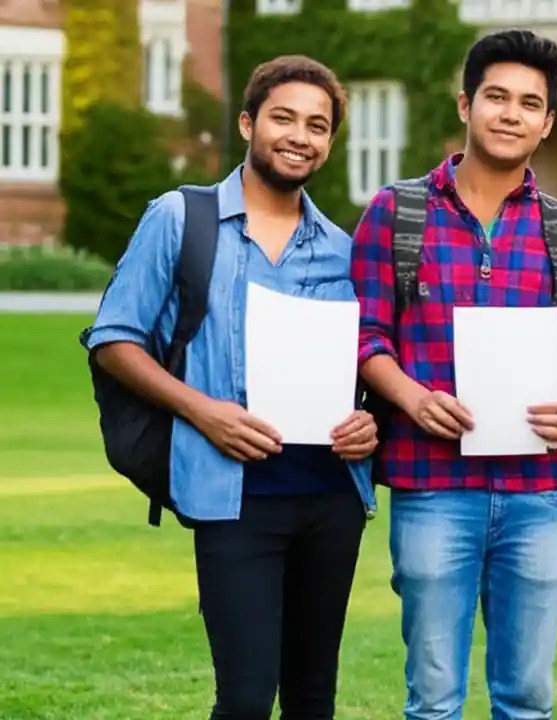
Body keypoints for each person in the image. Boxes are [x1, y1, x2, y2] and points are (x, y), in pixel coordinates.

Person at [82, 55, 378, 719]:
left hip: (331, 495)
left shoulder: (343, 247)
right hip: (232, 494)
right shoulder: (179, 219)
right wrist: (203, 412)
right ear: (248, 123)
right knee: (244, 698)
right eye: (283, 118)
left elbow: (365, 365)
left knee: (311, 698)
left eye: (318, 125)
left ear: (330, 143)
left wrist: (368, 422)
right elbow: (113, 339)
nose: (300, 135)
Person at [351, 30, 557, 720]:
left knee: (527, 699)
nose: (510, 113)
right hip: (432, 488)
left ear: (546, 124)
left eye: (529, 103)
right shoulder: (395, 214)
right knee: (433, 698)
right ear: (466, 104)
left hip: (536, 491)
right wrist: (410, 396)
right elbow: (365, 333)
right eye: (496, 97)